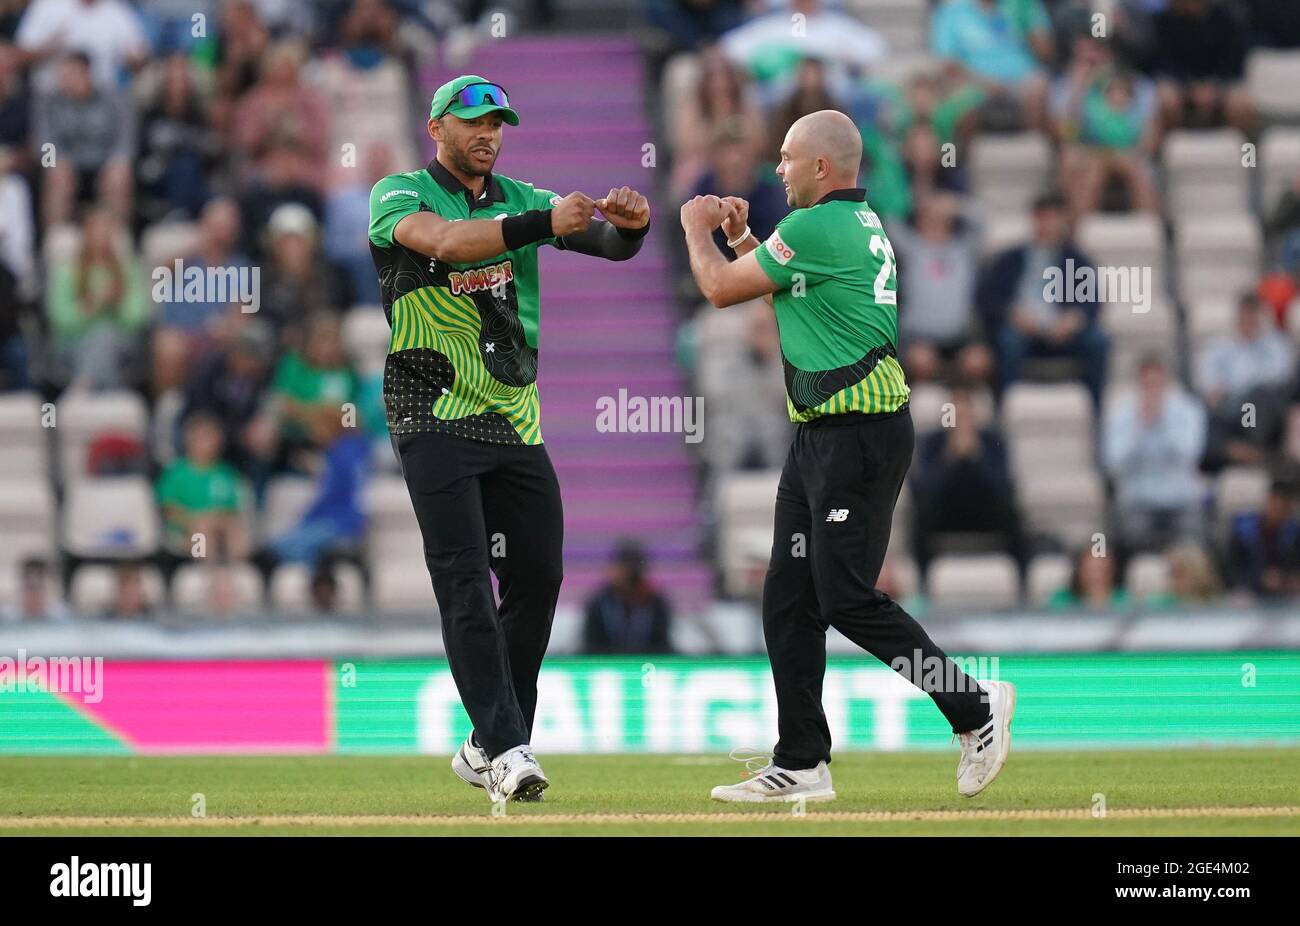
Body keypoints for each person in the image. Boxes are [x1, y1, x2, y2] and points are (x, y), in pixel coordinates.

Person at [681, 109, 1014, 804]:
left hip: (855, 435)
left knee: (844, 598)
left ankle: (975, 707)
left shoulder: (816, 228)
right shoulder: (852, 225)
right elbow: (794, 293)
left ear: (822, 167)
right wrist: (743, 237)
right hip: (823, 436)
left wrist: (694, 228)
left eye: (787, 157)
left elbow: (719, 290)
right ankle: (801, 759)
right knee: (787, 598)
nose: (778, 168)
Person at [367, 74, 650, 802]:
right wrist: (544, 224)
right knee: (463, 581)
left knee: (538, 578)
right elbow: (450, 243)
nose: (487, 133)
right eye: (472, 122)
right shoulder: (399, 194)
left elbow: (614, 248)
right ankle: (506, 746)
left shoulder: (524, 197)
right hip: (429, 413)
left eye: (496, 123)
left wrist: (637, 224)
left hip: (513, 419)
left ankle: (486, 741)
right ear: (436, 128)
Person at [1102, 352, 1207, 552]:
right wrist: (1140, 427)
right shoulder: (1122, 414)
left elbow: (1190, 454)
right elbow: (1113, 463)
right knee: (1132, 541)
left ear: (1165, 381)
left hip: (1180, 499)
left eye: (1156, 383)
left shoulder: (1188, 409)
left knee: (1192, 544)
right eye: (1147, 384)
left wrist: (1162, 422)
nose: (1152, 389)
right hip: (1138, 500)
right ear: (1138, 383)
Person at [582, 540, 674, 654]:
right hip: (607, 665)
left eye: (620, 568)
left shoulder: (655, 603)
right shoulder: (599, 603)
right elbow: (591, 643)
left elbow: (661, 644)